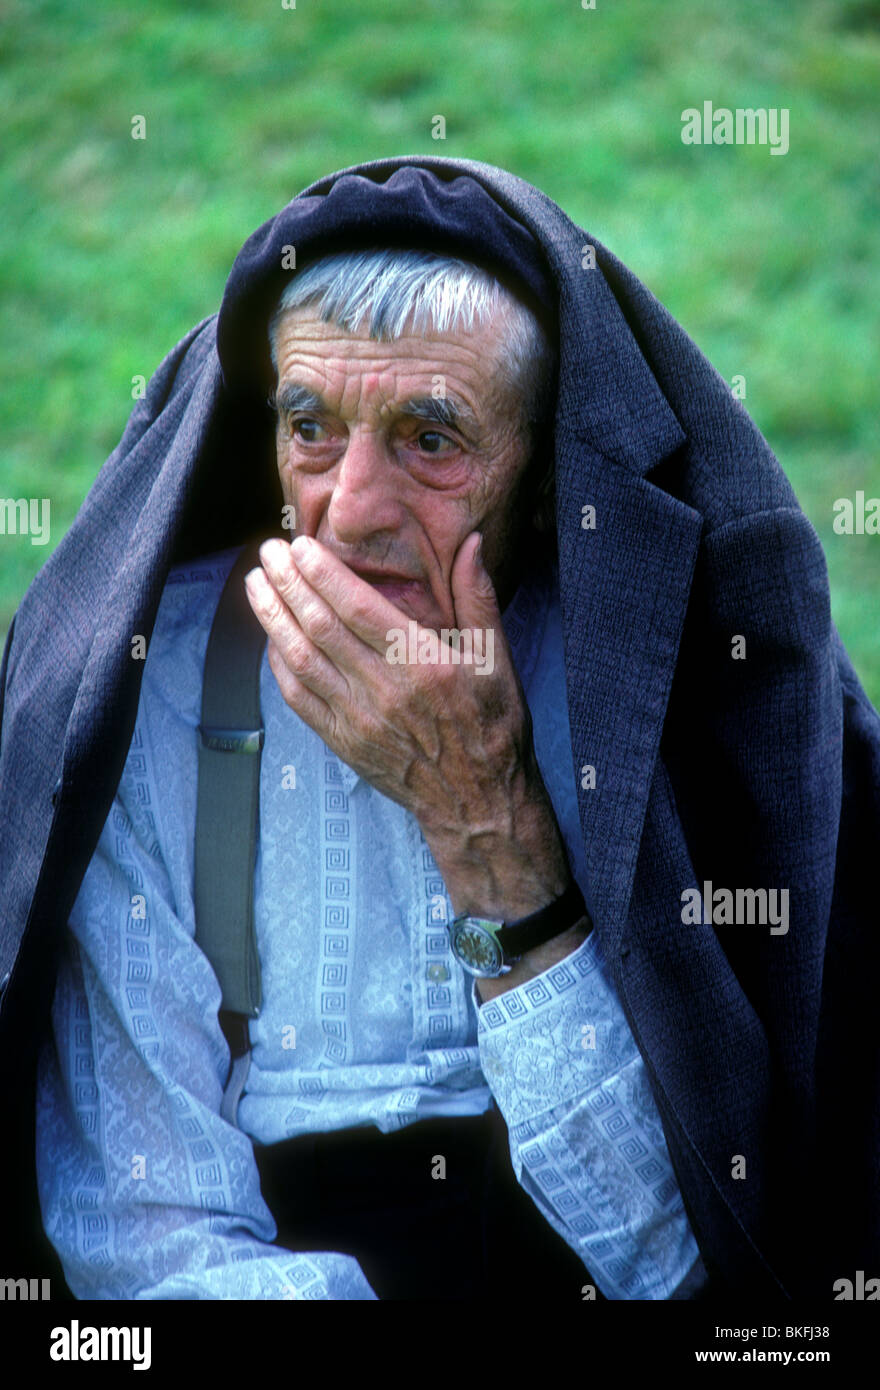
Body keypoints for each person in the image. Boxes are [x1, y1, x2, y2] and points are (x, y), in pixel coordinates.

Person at [2, 156, 878, 1301]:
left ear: (541, 470)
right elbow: (149, 1232)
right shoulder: (152, 686)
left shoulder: (653, 682)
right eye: (310, 427)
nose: (353, 511)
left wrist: (490, 823)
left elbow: (686, 1264)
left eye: (430, 439)